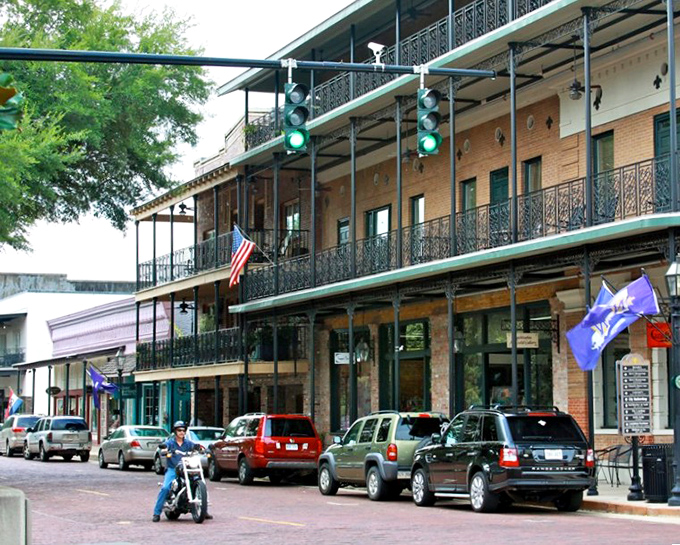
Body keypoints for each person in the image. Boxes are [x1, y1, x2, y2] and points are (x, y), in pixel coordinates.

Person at [152, 420, 212, 522]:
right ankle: (156, 513)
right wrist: (165, 449)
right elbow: (164, 446)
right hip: (173, 469)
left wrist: (202, 449)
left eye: (183, 430)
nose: (181, 432)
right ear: (175, 431)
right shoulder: (170, 442)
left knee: (200, 482)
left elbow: (196, 446)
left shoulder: (188, 443)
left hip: (187, 467)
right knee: (166, 488)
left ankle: (203, 509)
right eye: (179, 430)